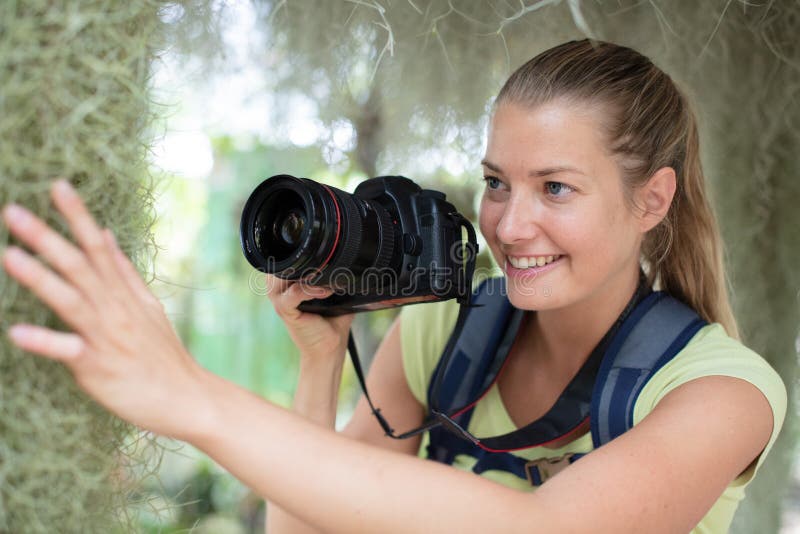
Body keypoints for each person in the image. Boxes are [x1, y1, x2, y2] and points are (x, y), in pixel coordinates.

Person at [0, 39, 787, 533]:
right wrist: (320, 361)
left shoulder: (723, 393)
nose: (509, 227)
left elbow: (542, 528)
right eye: (497, 182)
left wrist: (191, 397)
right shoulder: (443, 334)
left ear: (652, 199)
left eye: (555, 188)